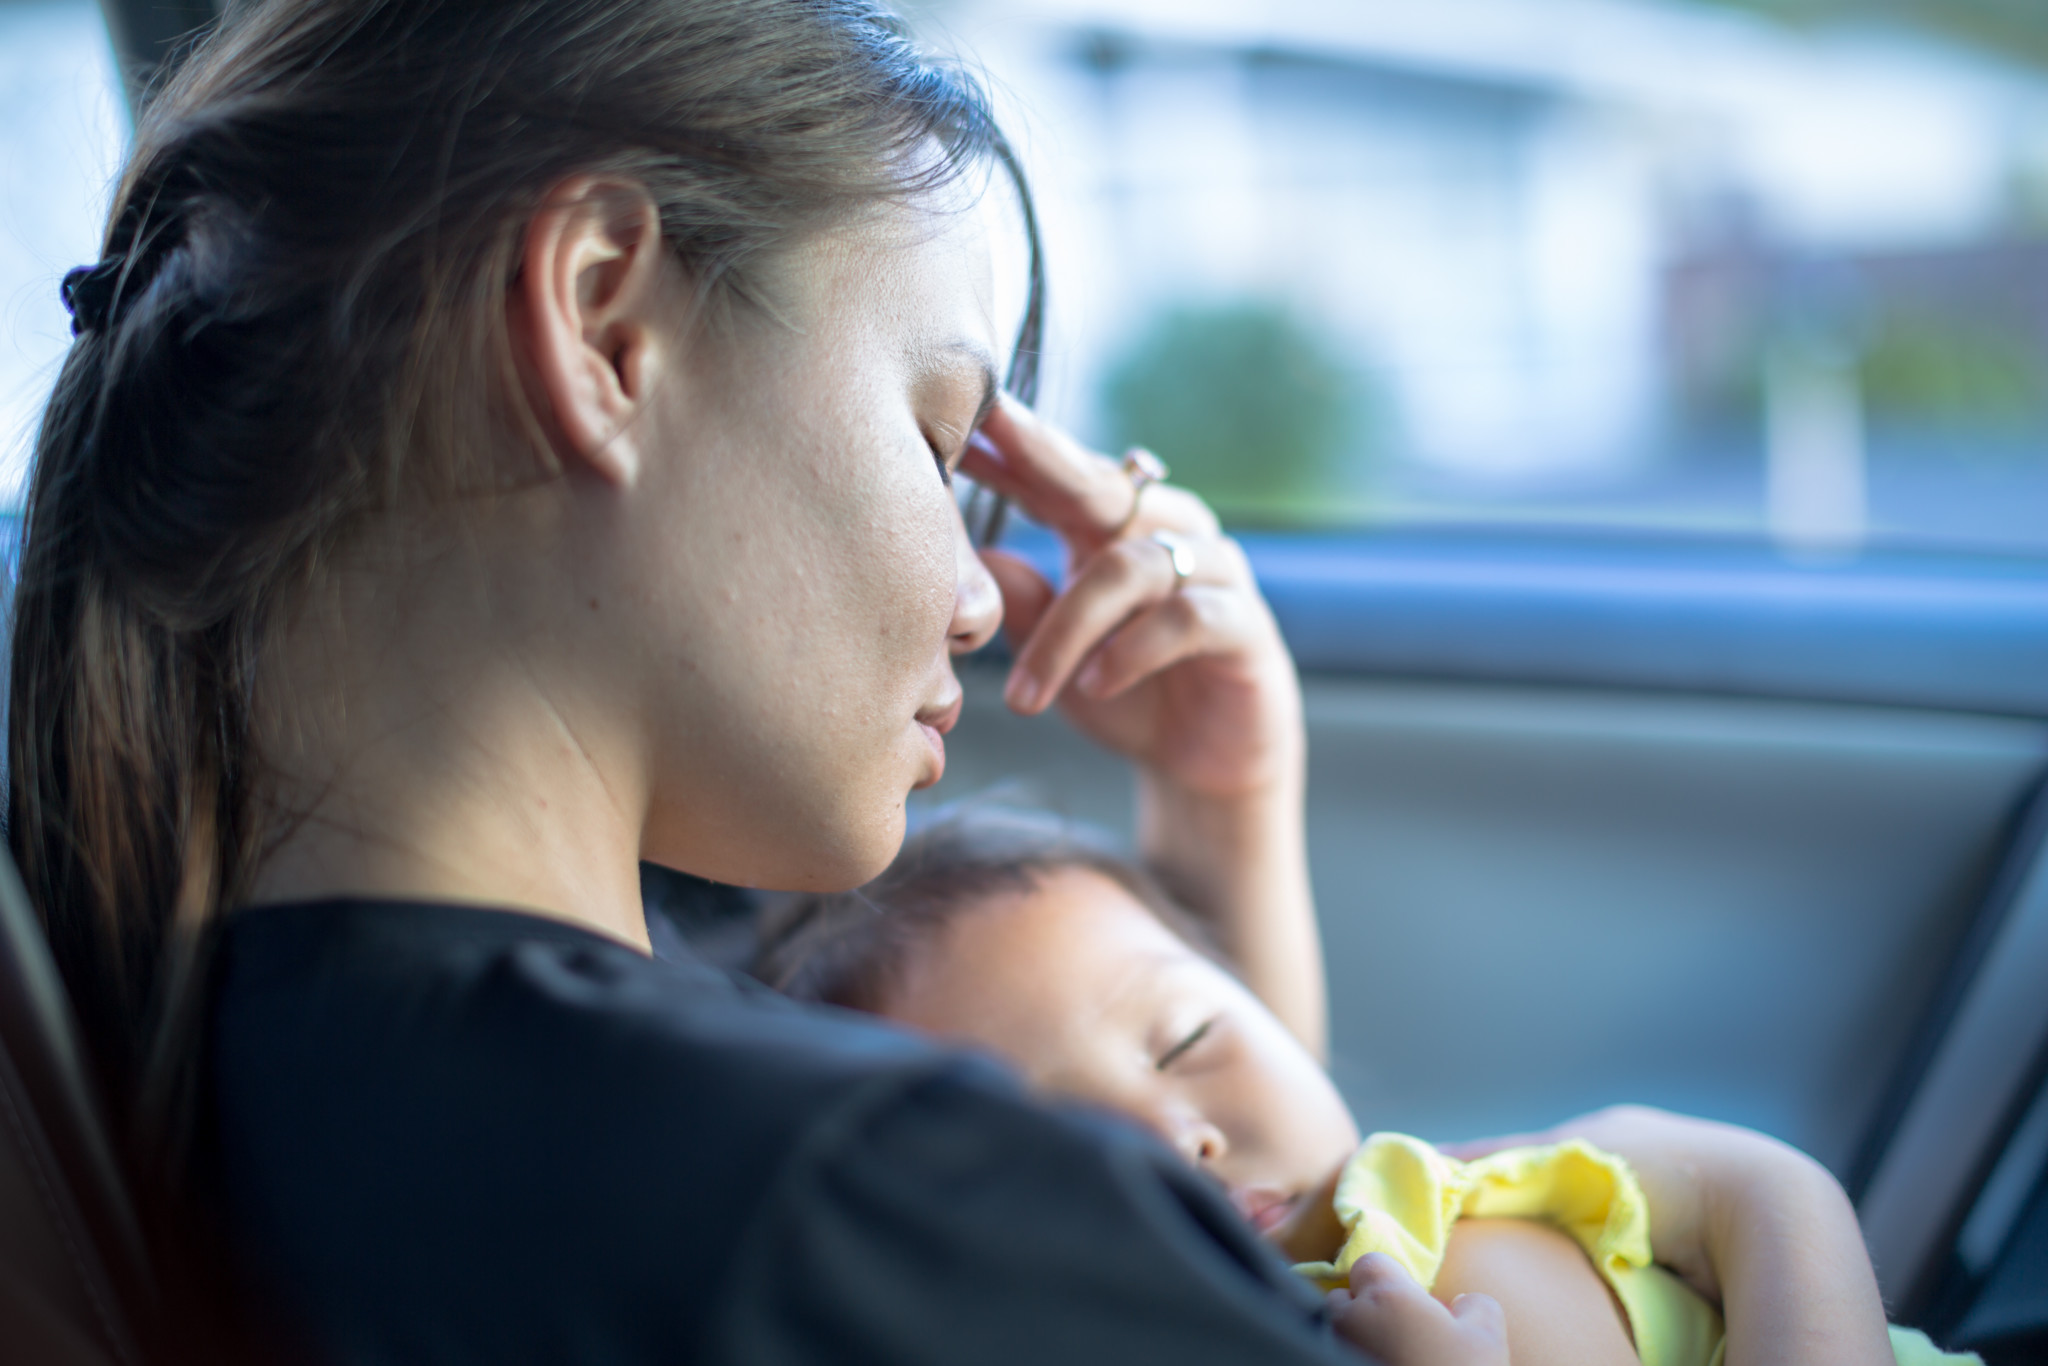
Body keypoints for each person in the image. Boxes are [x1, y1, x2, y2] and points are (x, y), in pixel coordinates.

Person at [3, 0, 1886, 1362]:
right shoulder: (853, 1192)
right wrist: (1761, 1207)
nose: (986, 596)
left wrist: (1219, 829)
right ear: (599, 325)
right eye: (936, 433)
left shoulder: (291, 1057)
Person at [757, 809, 1977, 1366]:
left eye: (1185, 1040)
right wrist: (1765, 1192)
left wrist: (1764, 1189)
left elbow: (1752, 1189)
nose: (1169, 1139)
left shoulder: (1449, 1194)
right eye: (1046, 1141)